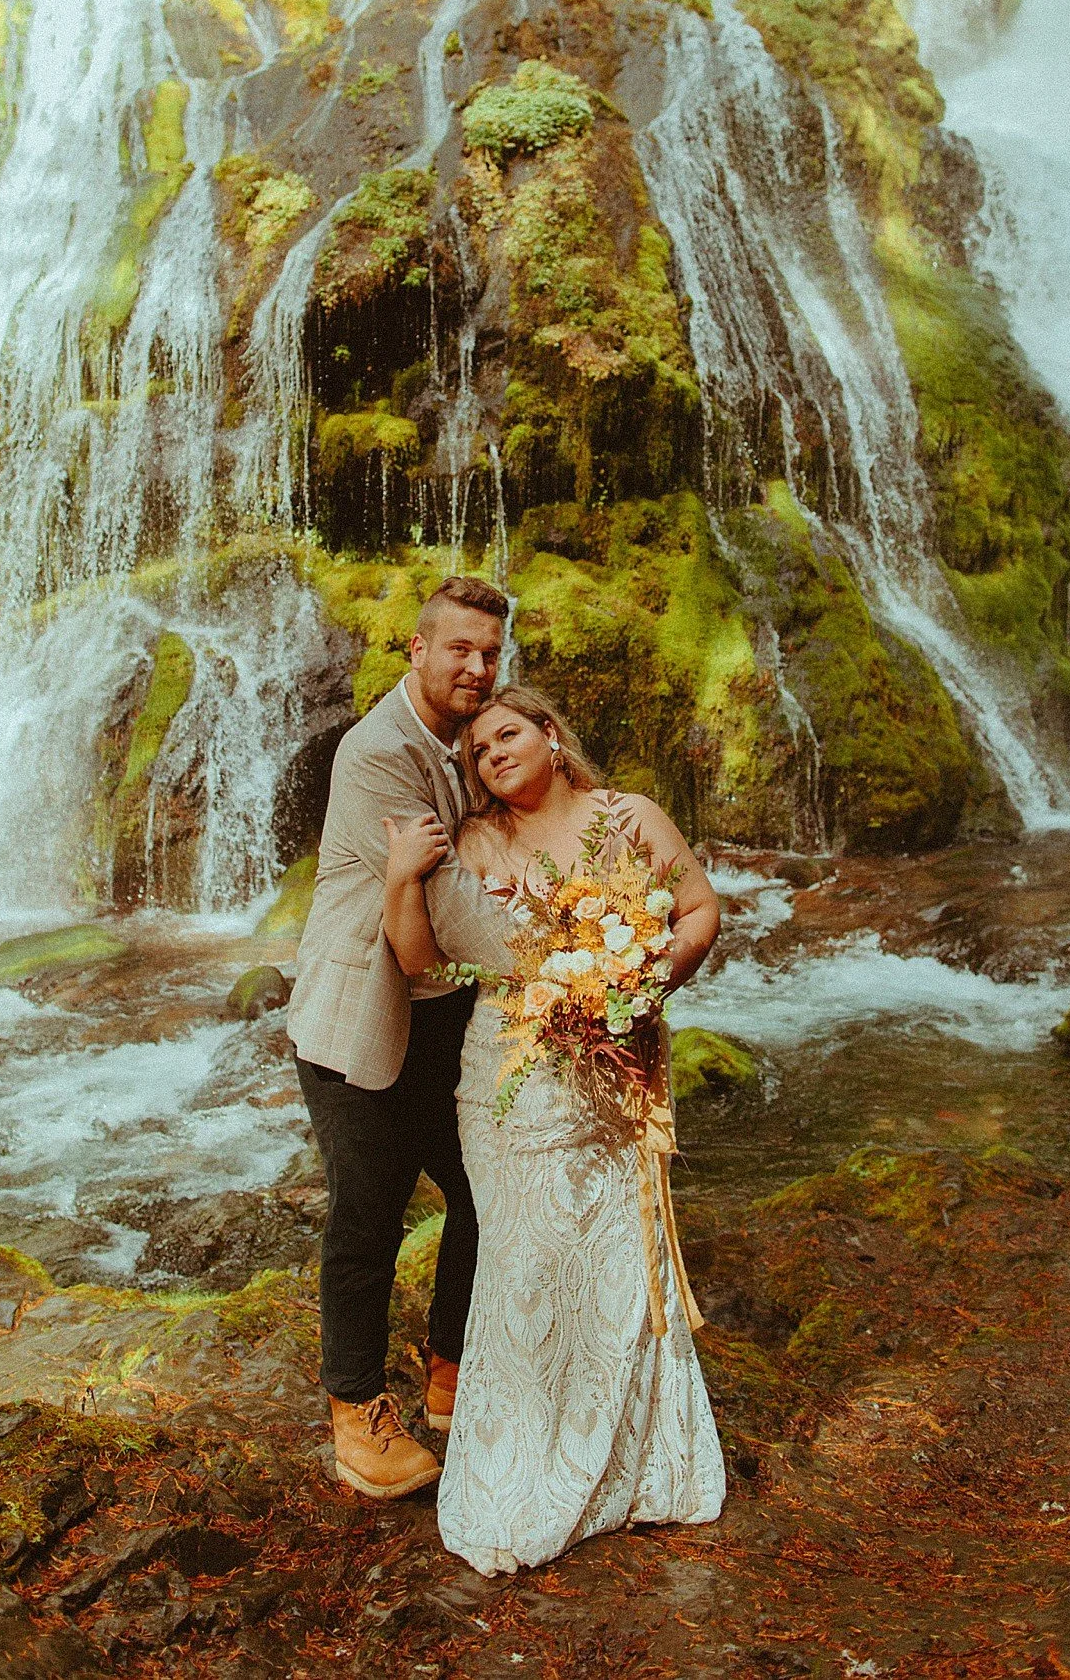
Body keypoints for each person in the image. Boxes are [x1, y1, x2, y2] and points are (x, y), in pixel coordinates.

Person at [381, 682, 727, 1575]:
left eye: (507, 736)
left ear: (549, 731)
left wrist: (647, 982)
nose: (493, 756)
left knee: (615, 1261)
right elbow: (424, 958)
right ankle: (523, 1471)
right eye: (478, 754)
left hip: (614, 1071)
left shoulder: (629, 815)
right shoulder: (474, 842)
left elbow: (699, 909)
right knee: (525, 1268)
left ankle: (630, 1465)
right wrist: (398, 879)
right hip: (512, 1077)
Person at [287, 574, 516, 1501]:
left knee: (484, 1191)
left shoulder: (475, 735)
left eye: (491, 653)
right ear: (417, 650)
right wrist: (565, 952)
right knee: (366, 1218)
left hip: (442, 1016)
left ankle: (451, 1366)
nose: (476, 667)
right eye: (460, 648)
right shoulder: (377, 751)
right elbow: (445, 896)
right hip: (363, 1023)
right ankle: (354, 1413)